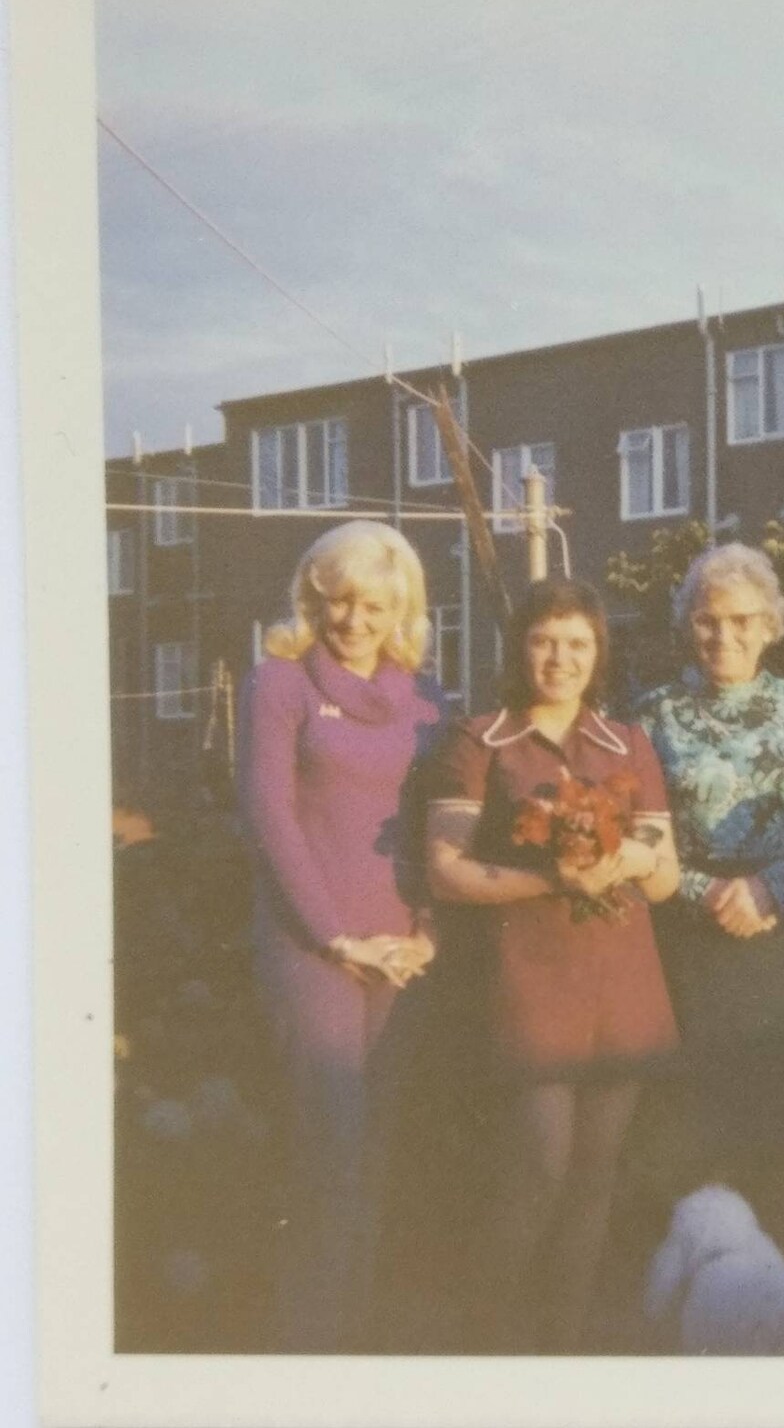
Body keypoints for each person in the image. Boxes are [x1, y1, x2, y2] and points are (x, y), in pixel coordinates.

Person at [424, 578, 680, 1353]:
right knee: (539, 1164)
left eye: (576, 642)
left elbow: (665, 875)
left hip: (620, 974)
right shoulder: (481, 740)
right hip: (530, 976)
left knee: (596, 1173)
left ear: (598, 651)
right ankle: (489, 1339)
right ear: (519, 648)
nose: (559, 658)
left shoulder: (626, 742)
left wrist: (624, 855)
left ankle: (562, 1346)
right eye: (544, 640)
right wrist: (554, 877)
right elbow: (446, 869)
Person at [239, 520, 444, 1353]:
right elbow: (268, 814)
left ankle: (358, 1340)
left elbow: (439, 825)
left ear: (400, 611)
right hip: (313, 950)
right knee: (331, 1146)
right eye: (338, 601)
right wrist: (334, 937)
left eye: (371, 604)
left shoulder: (427, 701)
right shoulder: (279, 683)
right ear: (315, 599)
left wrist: (428, 929)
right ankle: (308, 1346)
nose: (353, 619)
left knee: (380, 1150)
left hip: (401, 954)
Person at [636, 543, 784, 1246]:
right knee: (697, 1129)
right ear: (687, 625)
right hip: (692, 940)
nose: (723, 635)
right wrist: (707, 891)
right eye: (706, 620)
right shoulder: (652, 715)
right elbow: (641, 837)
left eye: (740, 620)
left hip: (783, 942)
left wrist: (769, 888)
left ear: (769, 626)